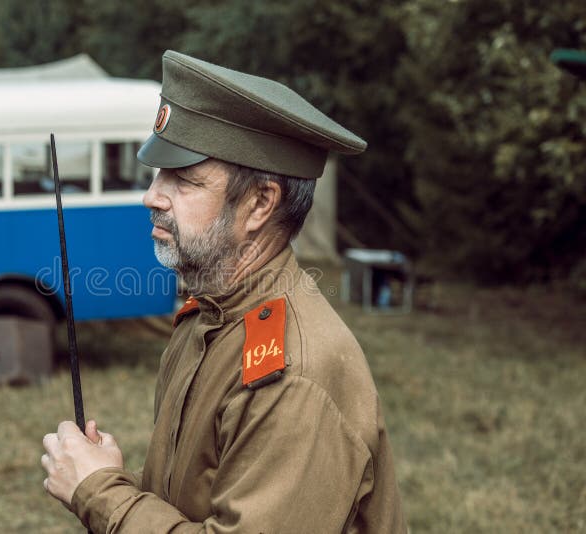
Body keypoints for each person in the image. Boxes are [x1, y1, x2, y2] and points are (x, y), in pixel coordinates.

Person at [41, 50, 406, 533]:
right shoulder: (208, 317)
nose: (152, 196)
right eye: (158, 174)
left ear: (259, 204)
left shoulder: (294, 375)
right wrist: (108, 479)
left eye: (184, 180)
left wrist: (100, 493)